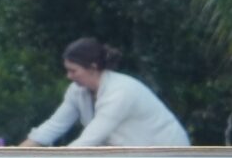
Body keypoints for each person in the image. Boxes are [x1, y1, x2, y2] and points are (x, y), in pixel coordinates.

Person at [23, 37, 190, 148]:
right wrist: (17, 153)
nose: (69, 76)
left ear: (93, 68)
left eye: (73, 71)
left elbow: (89, 141)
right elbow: (54, 126)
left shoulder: (121, 91)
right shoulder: (77, 91)